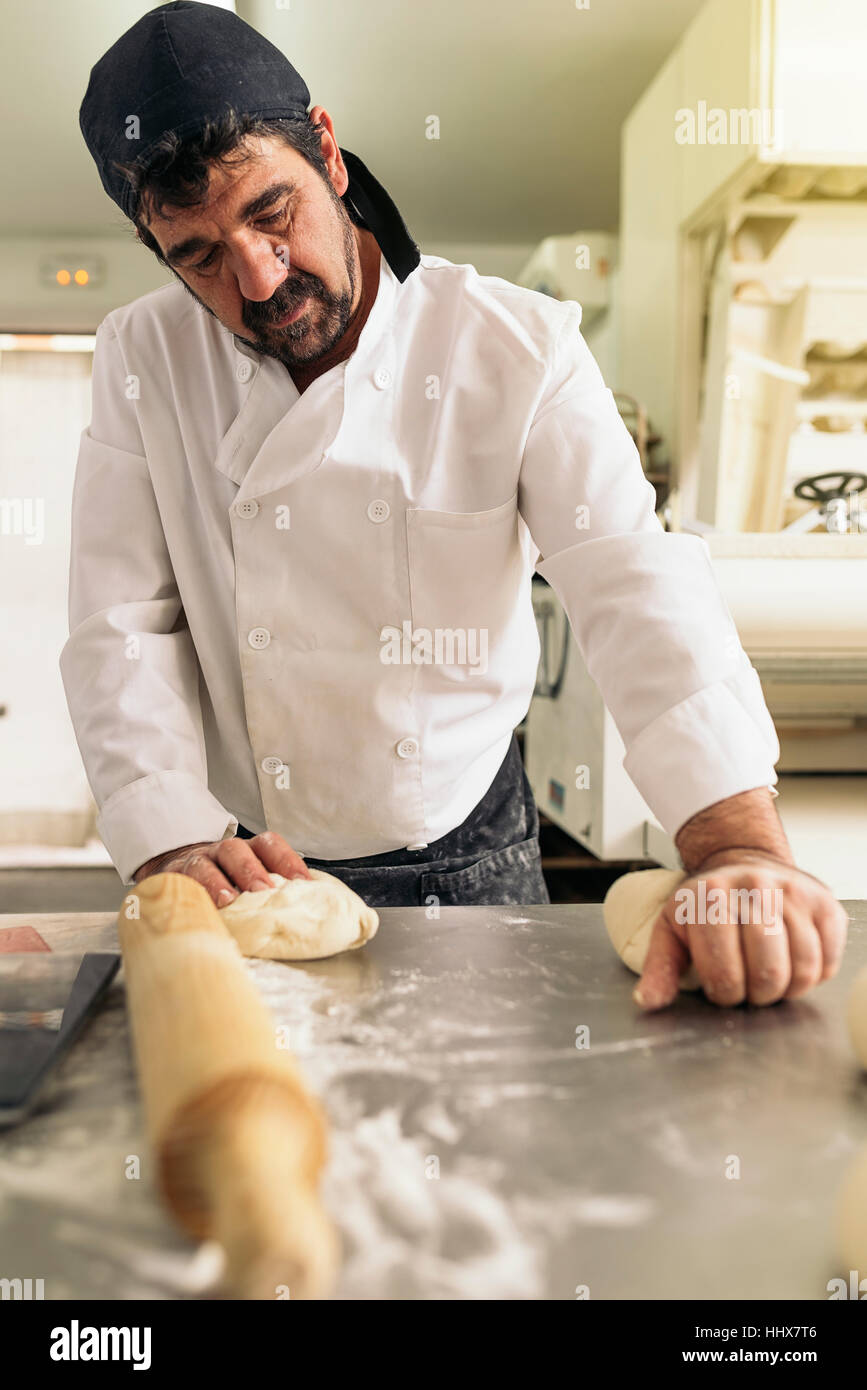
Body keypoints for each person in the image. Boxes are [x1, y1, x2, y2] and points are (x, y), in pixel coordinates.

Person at [62, 2, 846, 1010]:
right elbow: (122, 620)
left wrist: (736, 842)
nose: (259, 278)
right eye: (200, 256)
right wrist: (166, 832)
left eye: (272, 213)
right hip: (245, 866)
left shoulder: (515, 346)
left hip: (468, 861)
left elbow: (629, 578)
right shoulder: (143, 355)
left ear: (329, 154)